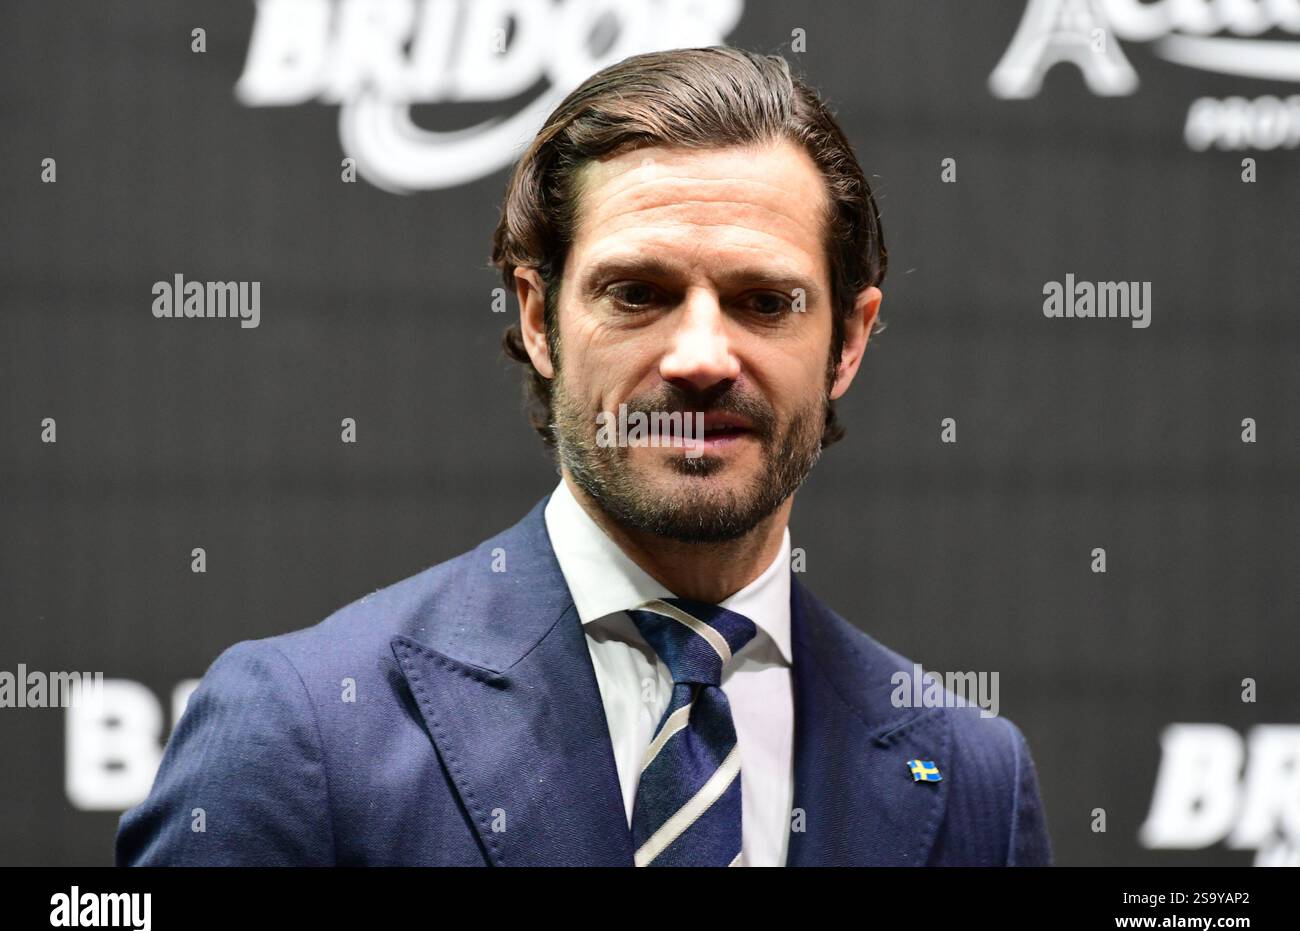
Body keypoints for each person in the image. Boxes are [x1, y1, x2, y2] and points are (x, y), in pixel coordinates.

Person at [116, 46, 1051, 867]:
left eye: (765, 302)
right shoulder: (299, 728)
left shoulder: (971, 772)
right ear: (538, 319)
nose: (699, 358)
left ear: (849, 341)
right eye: (638, 292)